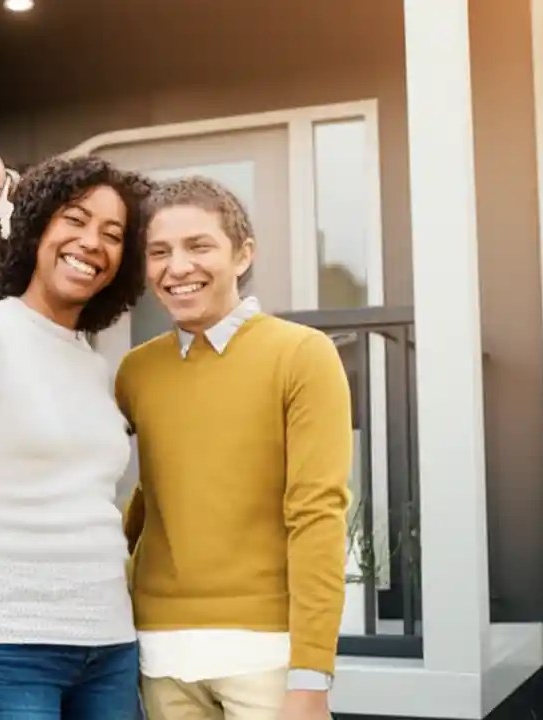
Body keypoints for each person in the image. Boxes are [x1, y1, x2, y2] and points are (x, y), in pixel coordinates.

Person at [0, 150, 152, 719]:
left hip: (109, 642)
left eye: (112, 233)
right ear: (35, 227)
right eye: (74, 220)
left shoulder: (94, 365)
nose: (92, 242)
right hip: (4, 643)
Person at [117, 177, 352, 720]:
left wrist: (311, 677)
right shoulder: (136, 372)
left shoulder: (302, 354)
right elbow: (148, 499)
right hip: (159, 653)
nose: (177, 268)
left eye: (199, 246)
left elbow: (318, 516)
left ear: (243, 254)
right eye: (159, 253)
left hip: (266, 656)